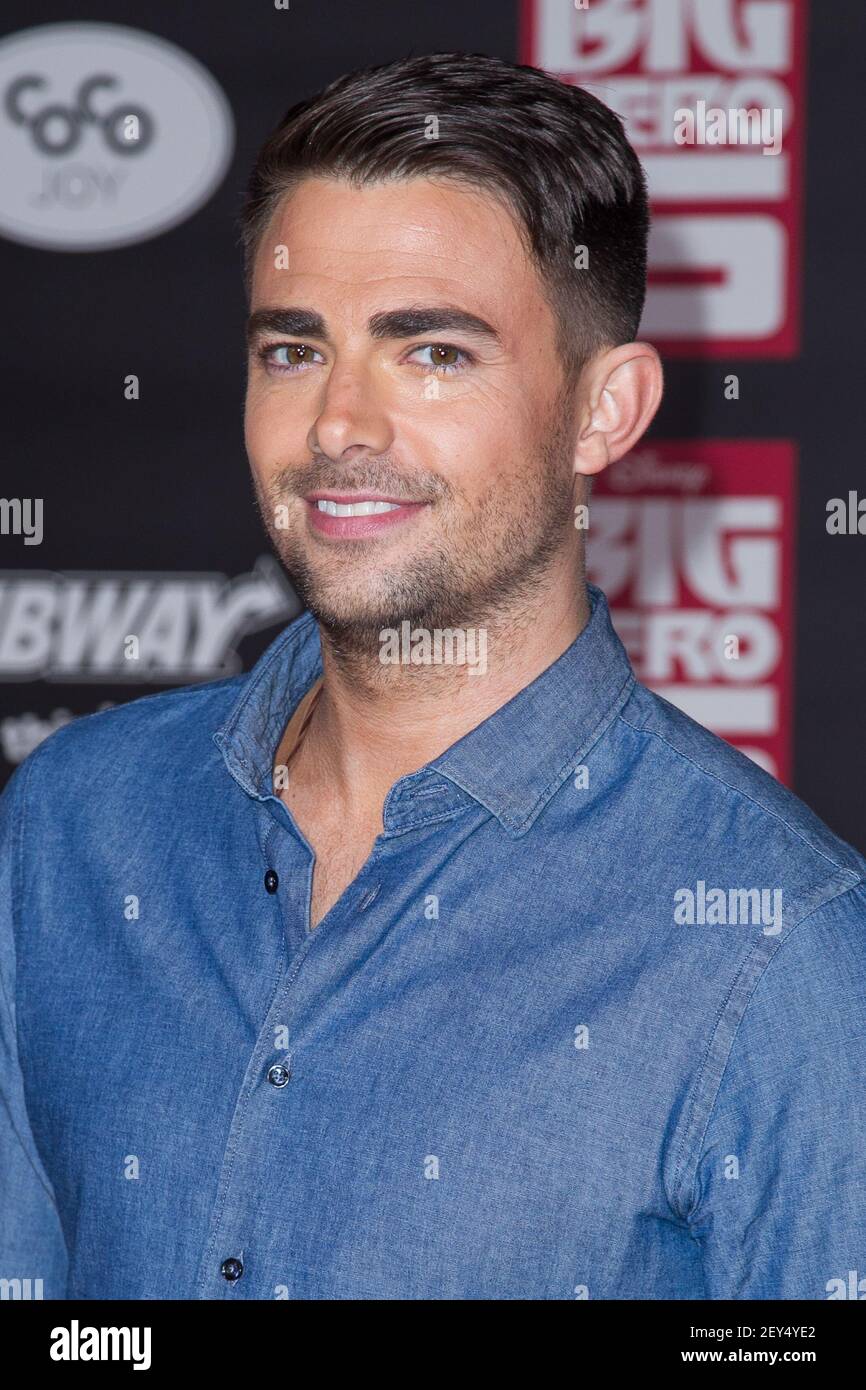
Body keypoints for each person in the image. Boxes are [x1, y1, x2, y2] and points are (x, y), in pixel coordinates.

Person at [1, 52, 864, 1302]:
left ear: (602, 414)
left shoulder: (775, 946)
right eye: (294, 352)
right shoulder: (72, 825)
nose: (341, 424)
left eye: (434, 354)